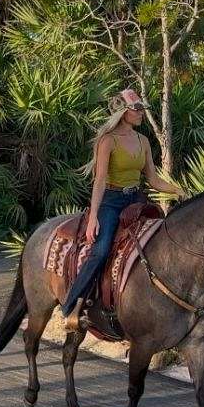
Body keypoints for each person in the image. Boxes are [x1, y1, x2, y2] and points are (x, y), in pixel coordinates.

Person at [62, 89, 186, 331]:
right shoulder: (108, 141)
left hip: (136, 199)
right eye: (136, 109)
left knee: (160, 239)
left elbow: (153, 179)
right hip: (110, 200)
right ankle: (71, 307)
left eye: (141, 109)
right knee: (102, 249)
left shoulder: (143, 141)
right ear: (123, 112)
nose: (141, 114)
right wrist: (93, 217)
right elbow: (99, 181)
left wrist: (179, 191)